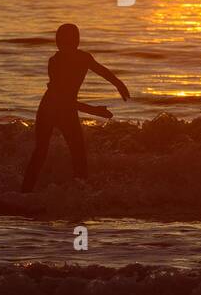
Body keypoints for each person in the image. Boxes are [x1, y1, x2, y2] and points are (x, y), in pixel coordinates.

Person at [21, 23, 129, 192]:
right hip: (49, 109)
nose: (63, 45)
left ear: (77, 42)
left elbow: (102, 71)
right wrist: (95, 110)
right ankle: (24, 194)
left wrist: (119, 84)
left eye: (68, 41)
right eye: (60, 41)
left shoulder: (84, 58)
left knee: (79, 155)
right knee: (40, 152)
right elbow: (62, 99)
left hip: (67, 110)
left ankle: (80, 195)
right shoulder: (55, 62)